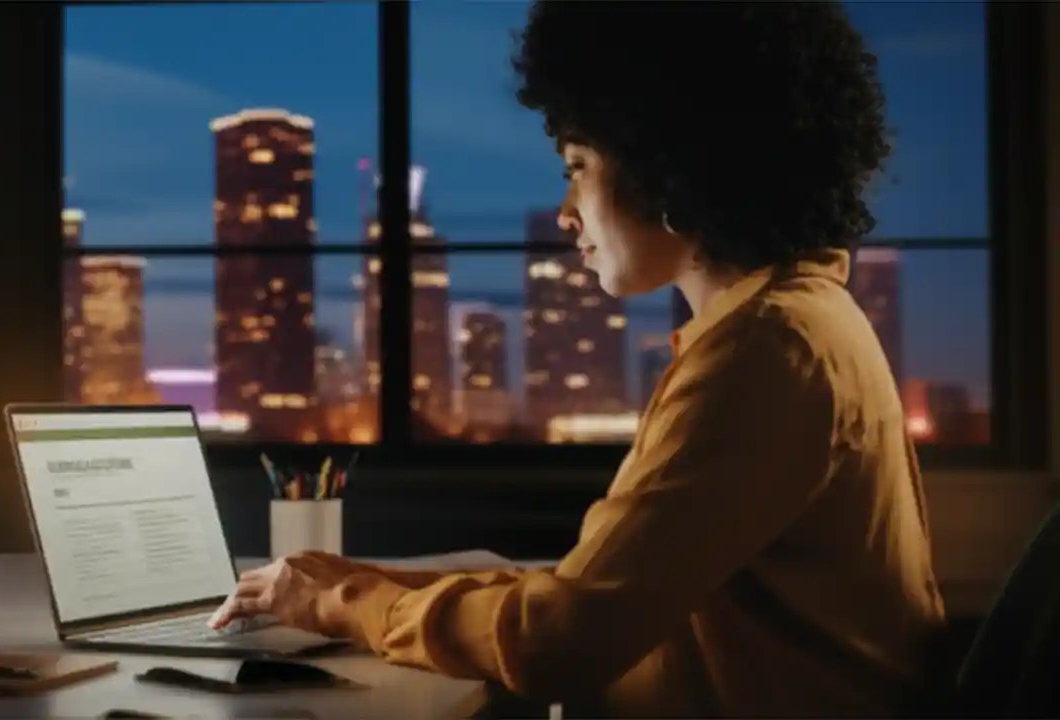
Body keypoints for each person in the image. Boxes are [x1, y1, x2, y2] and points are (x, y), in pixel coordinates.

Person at [211, 1, 946, 715]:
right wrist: (359, 584)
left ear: (668, 166)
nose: (566, 211)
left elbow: (556, 641)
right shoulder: (793, 321)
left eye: (579, 165)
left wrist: (341, 605)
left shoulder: (767, 351)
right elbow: (595, 593)